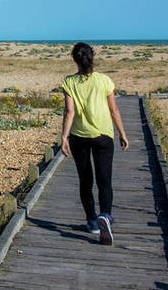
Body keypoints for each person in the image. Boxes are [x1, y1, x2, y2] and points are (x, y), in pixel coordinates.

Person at [60, 41, 129, 245]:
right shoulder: (105, 80)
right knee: (104, 179)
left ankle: (91, 220)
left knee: (85, 179)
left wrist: (64, 137)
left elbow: (69, 112)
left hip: (79, 136)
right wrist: (122, 133)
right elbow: (114, 110)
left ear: (75, 60)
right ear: (93, 58)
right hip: (103, 136)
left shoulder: (69, 82)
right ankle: (105, 216)